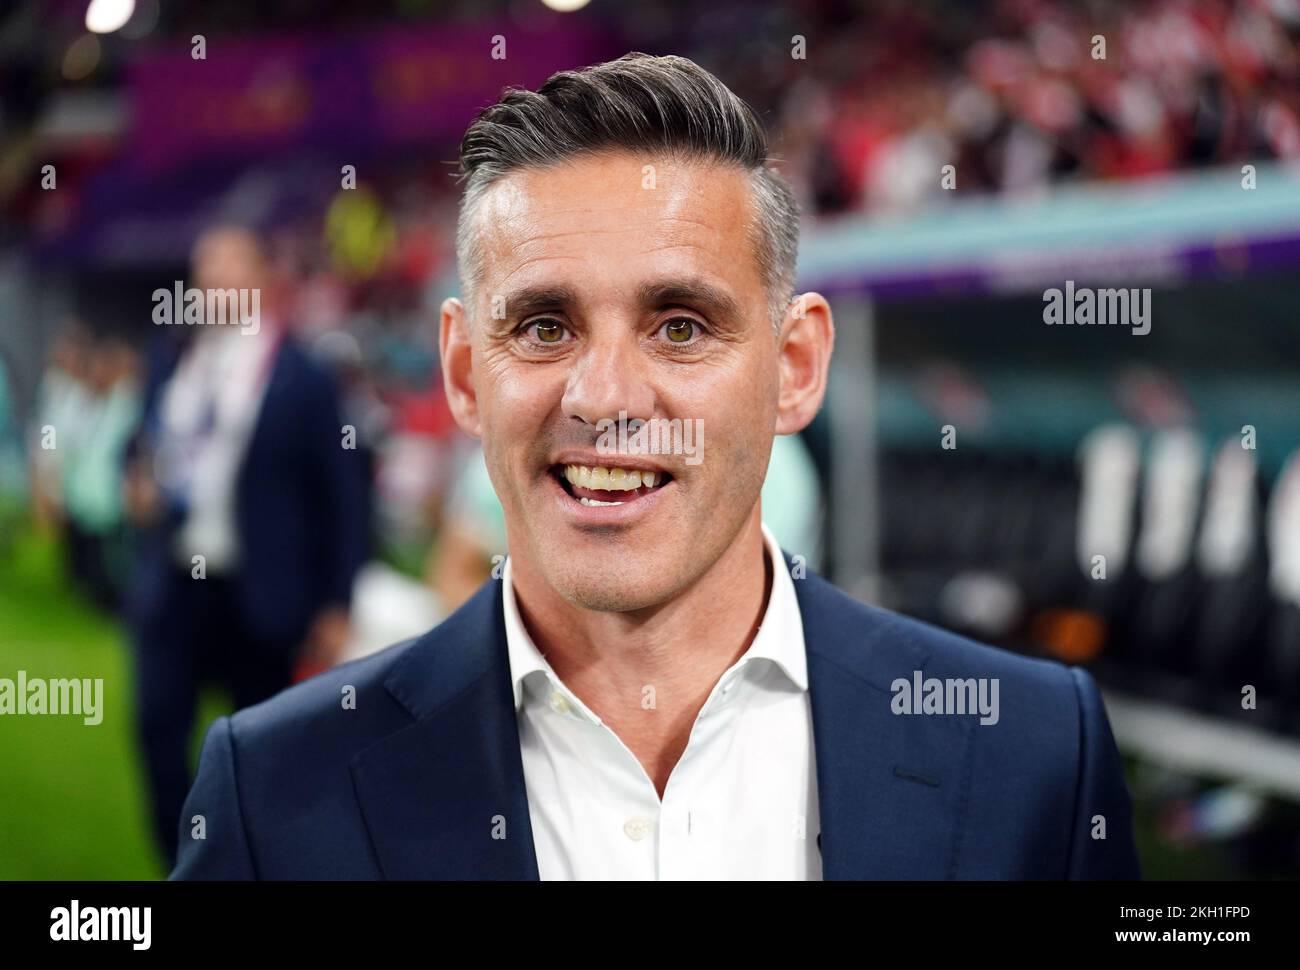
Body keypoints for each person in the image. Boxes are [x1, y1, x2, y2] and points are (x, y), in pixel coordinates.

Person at [172, 54, 1139, 880]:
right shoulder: (273, 794)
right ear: (465, 374)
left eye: (680, 327)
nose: (606, 397)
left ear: (795, 369)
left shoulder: (1034, 753)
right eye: (545, 327)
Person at [129, 224, 368, 868]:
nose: (213, 281)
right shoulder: (171, 358)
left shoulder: (303, 375)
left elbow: (344, 497)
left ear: (262, 278)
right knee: (156, 727)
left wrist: (337, 601)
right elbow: (142, 445)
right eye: (204, 268)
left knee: (259, 752)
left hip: (261, 594)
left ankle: (248, 862)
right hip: (175, 584)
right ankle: (182, 863)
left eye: (229, 266)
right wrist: (138, 481)